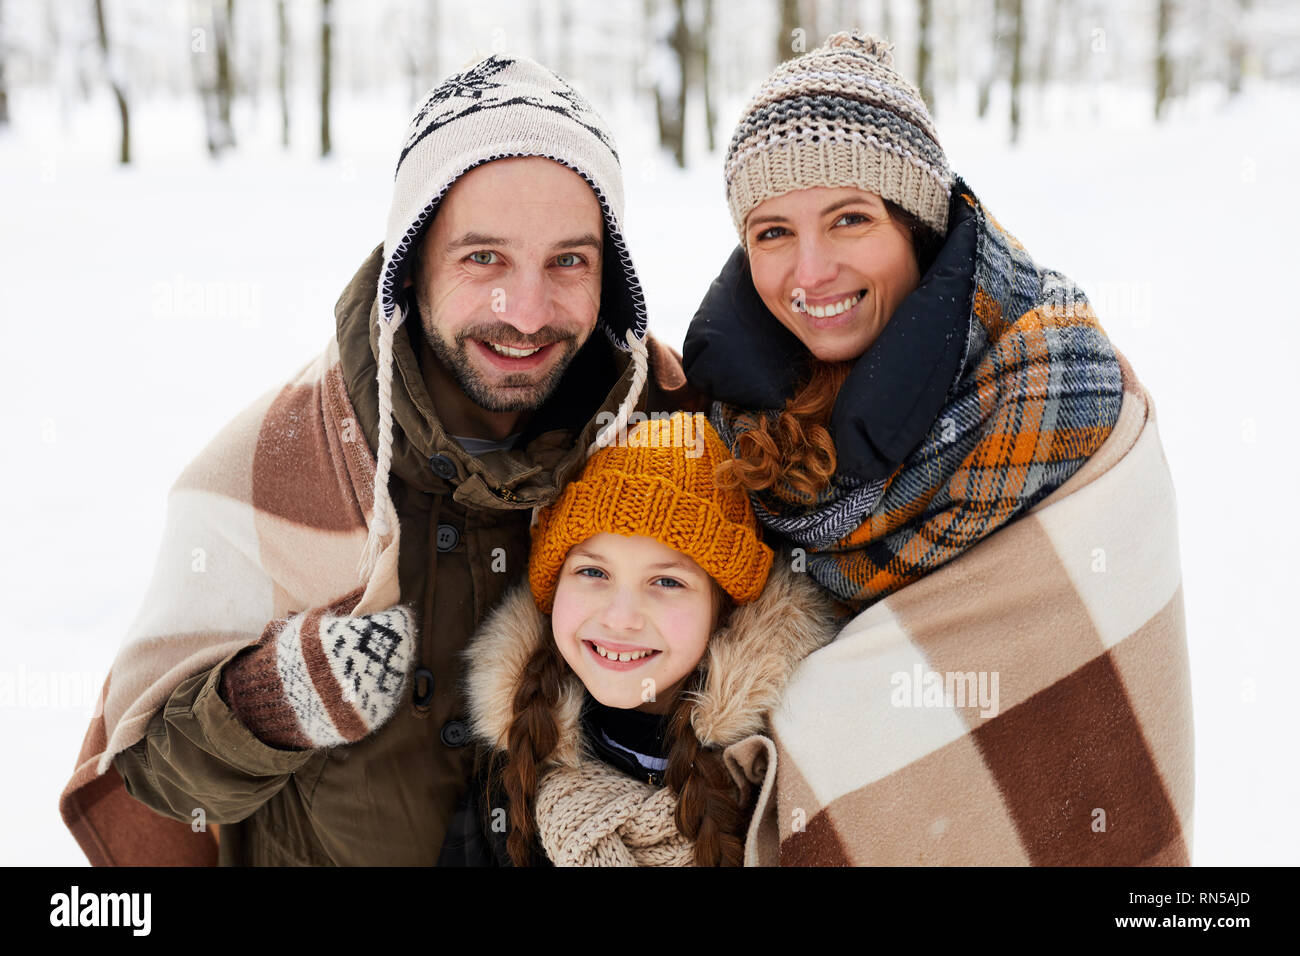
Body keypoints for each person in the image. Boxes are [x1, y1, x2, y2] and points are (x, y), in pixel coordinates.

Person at [58, 54, 706, 866]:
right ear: (413, 263)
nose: (528, 312)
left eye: (569, 261)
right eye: (483, 259)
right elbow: (158, 789)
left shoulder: (672, 437)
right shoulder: (274, 462)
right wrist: (262, 709)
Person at [681, 32, 1194, 865]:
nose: (809, 272)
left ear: (917, 229)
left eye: (850, 218)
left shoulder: (1061, 395)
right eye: (773, 233)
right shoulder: (719, 418)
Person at [435, 411, 837, 866]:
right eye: (592, 572)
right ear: (553, 585)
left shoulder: (776, 768)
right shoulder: (511, 771)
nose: (621, 618)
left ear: (722, 608)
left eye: (667, 582)